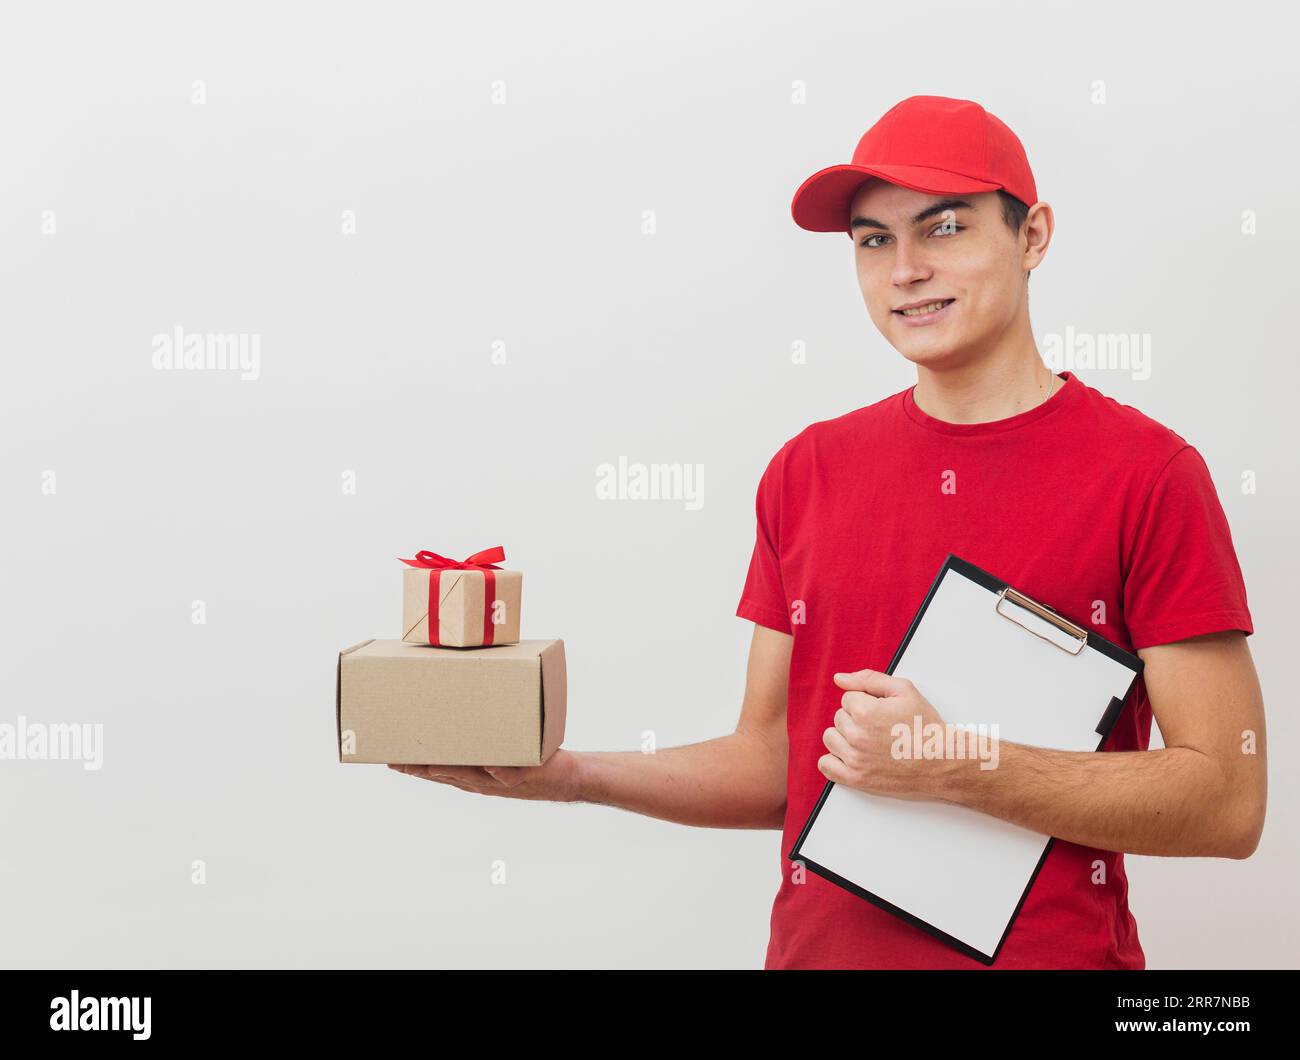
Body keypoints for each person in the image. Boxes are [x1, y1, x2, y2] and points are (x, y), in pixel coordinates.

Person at [390, 95, 1267, 970]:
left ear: (1032, 236)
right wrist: (572, 775)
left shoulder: (1148, 475)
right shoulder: (807, 471)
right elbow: (780, 758)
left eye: (945, 227)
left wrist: (955, 764)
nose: (906, 270)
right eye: (874, 240)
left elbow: (1228, 799)